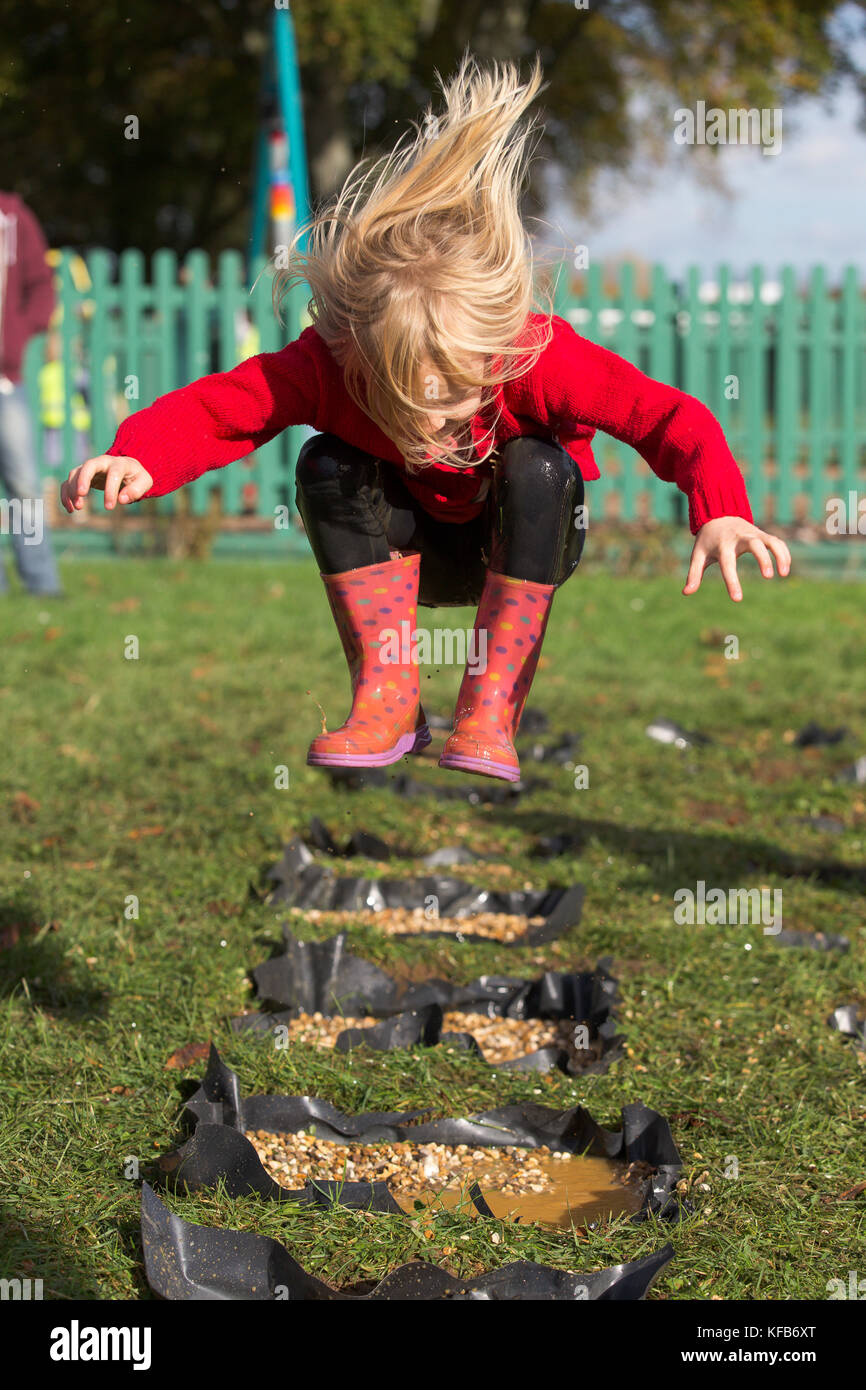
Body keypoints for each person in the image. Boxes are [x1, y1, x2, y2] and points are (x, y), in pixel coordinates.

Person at [60, 53, 790, 782]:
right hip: (400, 549)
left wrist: (718, 510)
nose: (432, 423)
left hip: (515, 543)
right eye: (404, 401)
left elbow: (666, 414)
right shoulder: (332, 364)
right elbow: (225, 408)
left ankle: (491, 708)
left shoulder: (534, 358)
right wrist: (141, 455)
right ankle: (386, 697)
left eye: (453, 398)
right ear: (363, 365)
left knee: (540, 464)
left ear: (491, 357)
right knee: (326, 461)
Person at [0, 191, 63, 597]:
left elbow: (41, 283)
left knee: (23, 485)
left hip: (5, 380)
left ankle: (41, 584)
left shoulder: (14, 217)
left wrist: (19, 333)